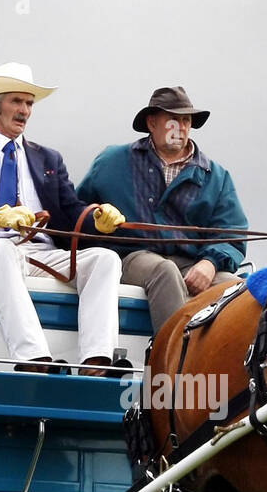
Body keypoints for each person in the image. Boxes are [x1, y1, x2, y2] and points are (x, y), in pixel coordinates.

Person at [0, 62, 128, 377]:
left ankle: (97, 361)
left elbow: (69, 210)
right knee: (2, 251)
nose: (24, 110)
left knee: (105, 259)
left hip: (41, 252)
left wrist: (97, 219)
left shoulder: (48, 158)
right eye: (16, 101)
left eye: (29, 103)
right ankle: (33, 358)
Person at [77, 85, 248, 330]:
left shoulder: (216, 176)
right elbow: (77, 212)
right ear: (152, 123)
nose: (180, 127)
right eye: (172, 119)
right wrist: (96, 219)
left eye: (186, 120)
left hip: (192, 261)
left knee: (236, 288)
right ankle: (176, 360)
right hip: (132, 258)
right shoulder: (112, 161)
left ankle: (231, 364)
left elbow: (232, 234)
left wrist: (209, 263)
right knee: (164, 271)